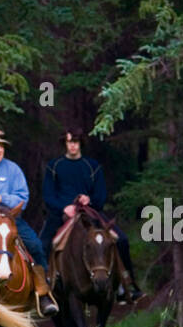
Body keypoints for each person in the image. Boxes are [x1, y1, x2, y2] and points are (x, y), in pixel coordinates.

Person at [0, 129, 59, 317]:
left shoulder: (12, 169)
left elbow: (22, 197)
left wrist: (1, 197)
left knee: (35, 245)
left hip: (9, 219)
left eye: (1, 146)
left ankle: (43, 290)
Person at [41, 128, 141, 302]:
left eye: (76, 142)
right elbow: (48, 196)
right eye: (69, 142)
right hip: (62, 213)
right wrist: (63, 208)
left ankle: (126, 283)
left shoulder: (92, 166)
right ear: (65, 144)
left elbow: (101, 195)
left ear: (80, 144)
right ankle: (45, 287)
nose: (73, 146)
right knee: (42, 243)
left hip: (90, 213)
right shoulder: (54, 166)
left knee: (121, 240)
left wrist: (90, 200)